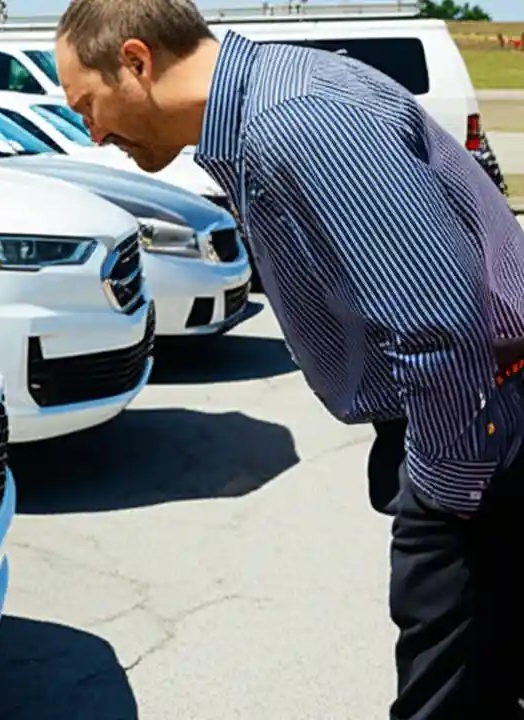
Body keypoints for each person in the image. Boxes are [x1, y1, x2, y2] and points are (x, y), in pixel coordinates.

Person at [52, 1, 524, 718]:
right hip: (484, 419)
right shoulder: (276, 102)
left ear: (138, 63)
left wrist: (440, 496)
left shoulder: (297, 119)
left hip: (482, 426)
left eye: (88, 103)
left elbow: (437, 324)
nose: (92, 131)